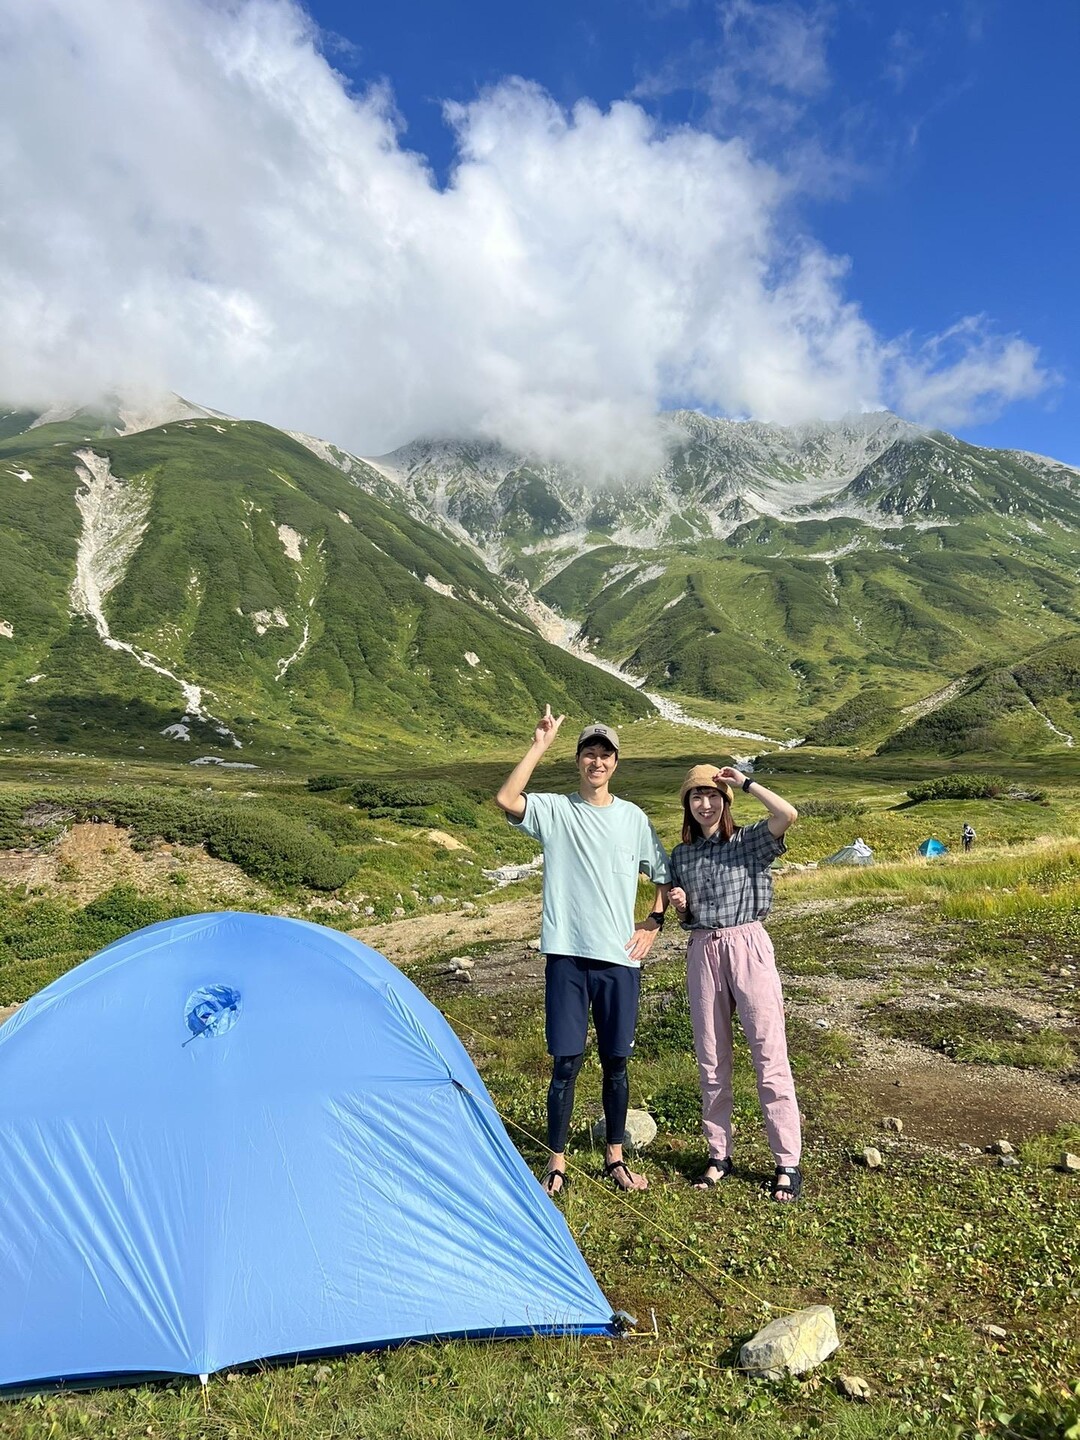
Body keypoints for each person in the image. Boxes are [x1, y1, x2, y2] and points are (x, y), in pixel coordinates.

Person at [495, 708, 670, 1195]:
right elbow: (507, 798)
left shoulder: (633, 818)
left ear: (616, 764)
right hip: (567, 957)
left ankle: (615, 1156)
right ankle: (556, 1162)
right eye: (590, 753)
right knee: (565, 1062)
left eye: (605, 755)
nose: (598, 761)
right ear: (578, 761)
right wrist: (539, 745)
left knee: (617, 1062)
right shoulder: (555, 810)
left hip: (619, 959)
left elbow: (663, 874)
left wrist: (653, 922)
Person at [667, 765, 802, 1202]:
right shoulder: (681, 855)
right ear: (687, 805)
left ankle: (786, 1161)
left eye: (713, 796)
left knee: (768, 1052)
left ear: (725, 801)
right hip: (703, 949)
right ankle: (718, 1153)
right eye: (696, 798)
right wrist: (682, 908)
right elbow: (685, 919)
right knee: (711, 1058)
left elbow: (788, 814)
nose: (705, 805)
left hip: (749, 944)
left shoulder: (749, 841)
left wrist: (745, 782)